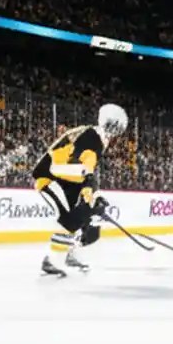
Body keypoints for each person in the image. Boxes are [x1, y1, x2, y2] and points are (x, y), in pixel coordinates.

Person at [31, 104, 126, 277]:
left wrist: (95, 195)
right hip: (50, 179)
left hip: (65, 180)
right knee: (70, 219)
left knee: (82, 219)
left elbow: (86, 172)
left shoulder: (95, 135)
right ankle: (51, 261)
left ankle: (68, 254)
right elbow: (76, 168)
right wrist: (90, 189)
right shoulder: (93, 136)